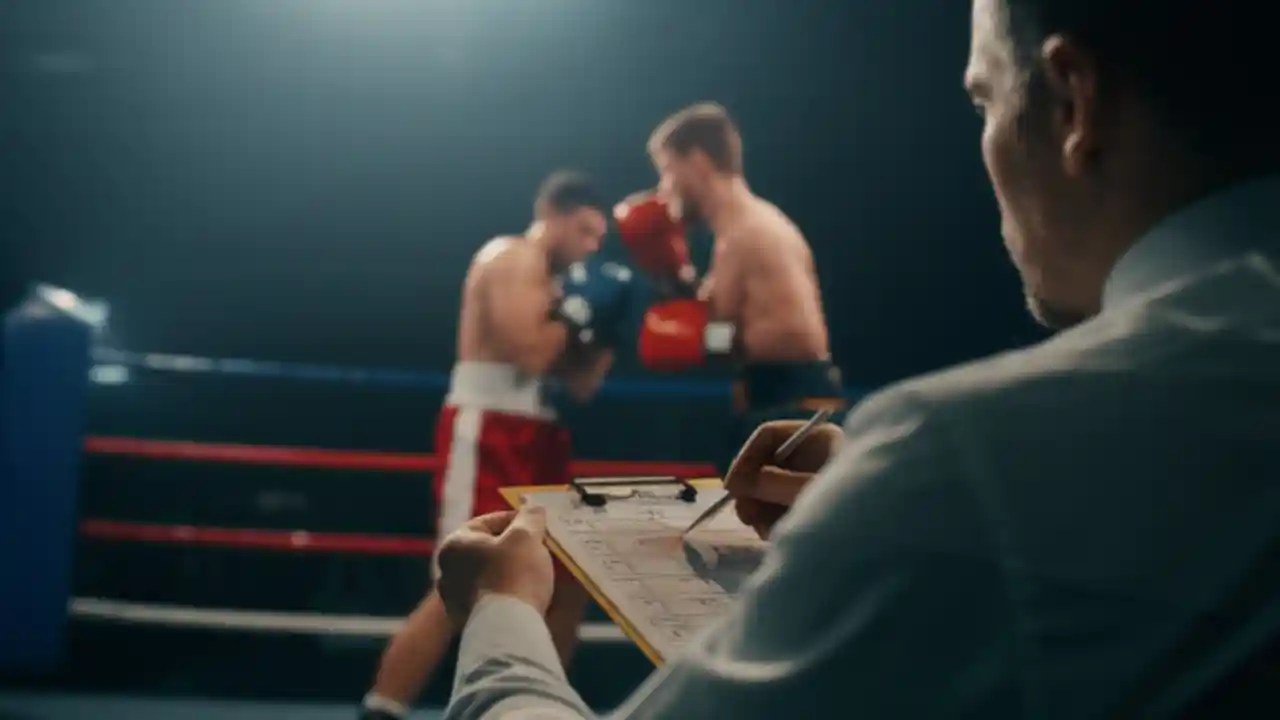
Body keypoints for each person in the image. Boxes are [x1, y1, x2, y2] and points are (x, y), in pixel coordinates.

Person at [432, 0, 1280, 716]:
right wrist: (886, 526)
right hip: (785, 411)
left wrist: (504, 613)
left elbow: (775, 337)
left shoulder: (962, 451)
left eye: (984, 103)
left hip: (790, 391)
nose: (662, 191)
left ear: (1072, 105)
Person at [359, 171, 635, 720]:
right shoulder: (509, 258)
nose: (591, 247)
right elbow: (529, 353)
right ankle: (382, 710)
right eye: (584, 231)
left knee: (561, 578)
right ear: (554, 214)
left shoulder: (560, 287)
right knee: (465, 576)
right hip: (490, 429)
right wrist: (580, 308)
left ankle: (539, 704)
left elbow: (581, 384)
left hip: (543, 433)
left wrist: (606, 327)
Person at [614, 103, 846, 474]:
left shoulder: (745, 233)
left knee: (762, 523)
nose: (664, 188)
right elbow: (728, 320)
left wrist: (675, 324)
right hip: (788, 397)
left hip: (791, 401)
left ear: (699, 163)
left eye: (669, 171)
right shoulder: (754, 223)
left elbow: (719, 337)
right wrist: (680, 283)